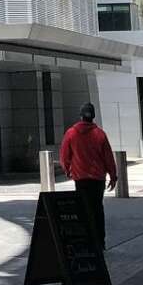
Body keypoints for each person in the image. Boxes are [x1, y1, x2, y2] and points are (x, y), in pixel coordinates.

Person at [59, 102, 117, 253]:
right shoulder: (100, 134)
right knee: (97, 209)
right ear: (93, 116)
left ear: (80, 115)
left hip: (81, 178)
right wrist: (113, 175)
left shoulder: (71, 133)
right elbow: (108, 157)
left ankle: (85, 241)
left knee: (83, 209)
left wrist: (67, 170)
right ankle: (100, 242)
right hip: (98, 179)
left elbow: (64, 155)